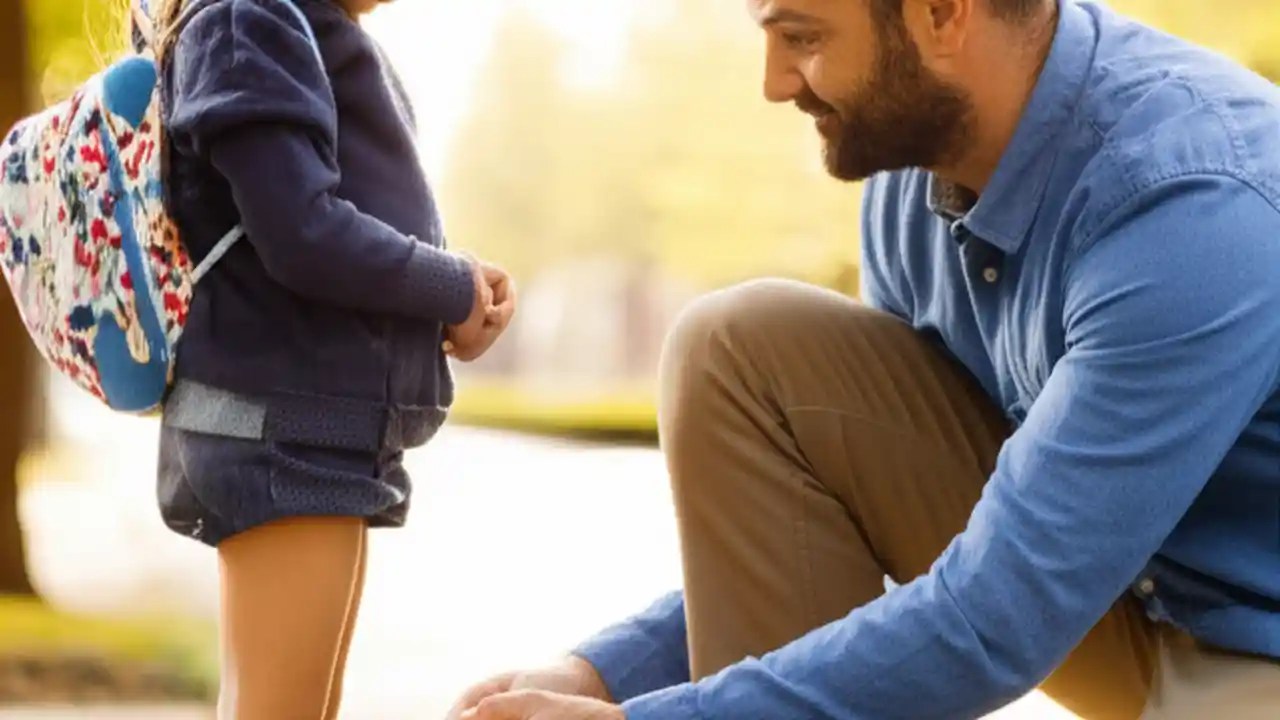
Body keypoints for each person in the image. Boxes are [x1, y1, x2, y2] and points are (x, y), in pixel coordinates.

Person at [449, 0, 1280, 718]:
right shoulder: (912, 178)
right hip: (1119, 612)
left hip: (1254, 656)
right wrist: (598, 676)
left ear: (942, 14)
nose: (774, 82)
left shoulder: (1191, 204)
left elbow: (1002, 613)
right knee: (742, 350)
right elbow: (856, 525)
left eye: (803, 37)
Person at [146, 0, 515, 717]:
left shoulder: (296, 25)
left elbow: (316, 238)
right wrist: (449, 286)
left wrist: (454, 301)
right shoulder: (245, 20)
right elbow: (302, 235)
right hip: (279, 434)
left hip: (309, 434)